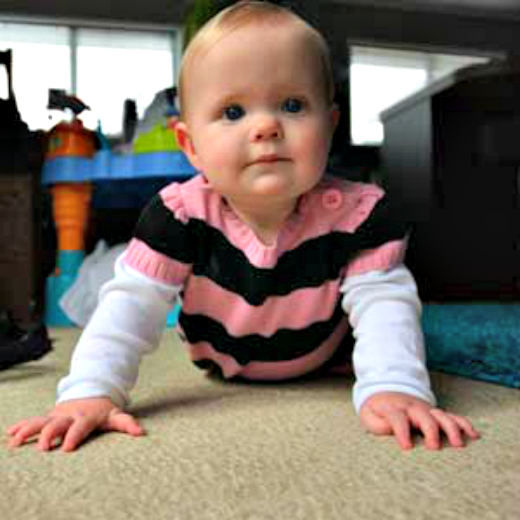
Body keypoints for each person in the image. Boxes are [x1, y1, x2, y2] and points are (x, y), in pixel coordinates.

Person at [7, 0, 479, 453]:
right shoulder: (178, 217)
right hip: (221, 360)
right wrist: (90, 391)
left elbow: (384, 305)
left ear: (330, 125)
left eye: (293, 105)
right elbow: (129, 306)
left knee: (392, 318)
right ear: (191, 146)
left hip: (325, 356)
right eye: (233, 112)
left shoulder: (359, 216)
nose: (267, 127)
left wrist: (395, 387)